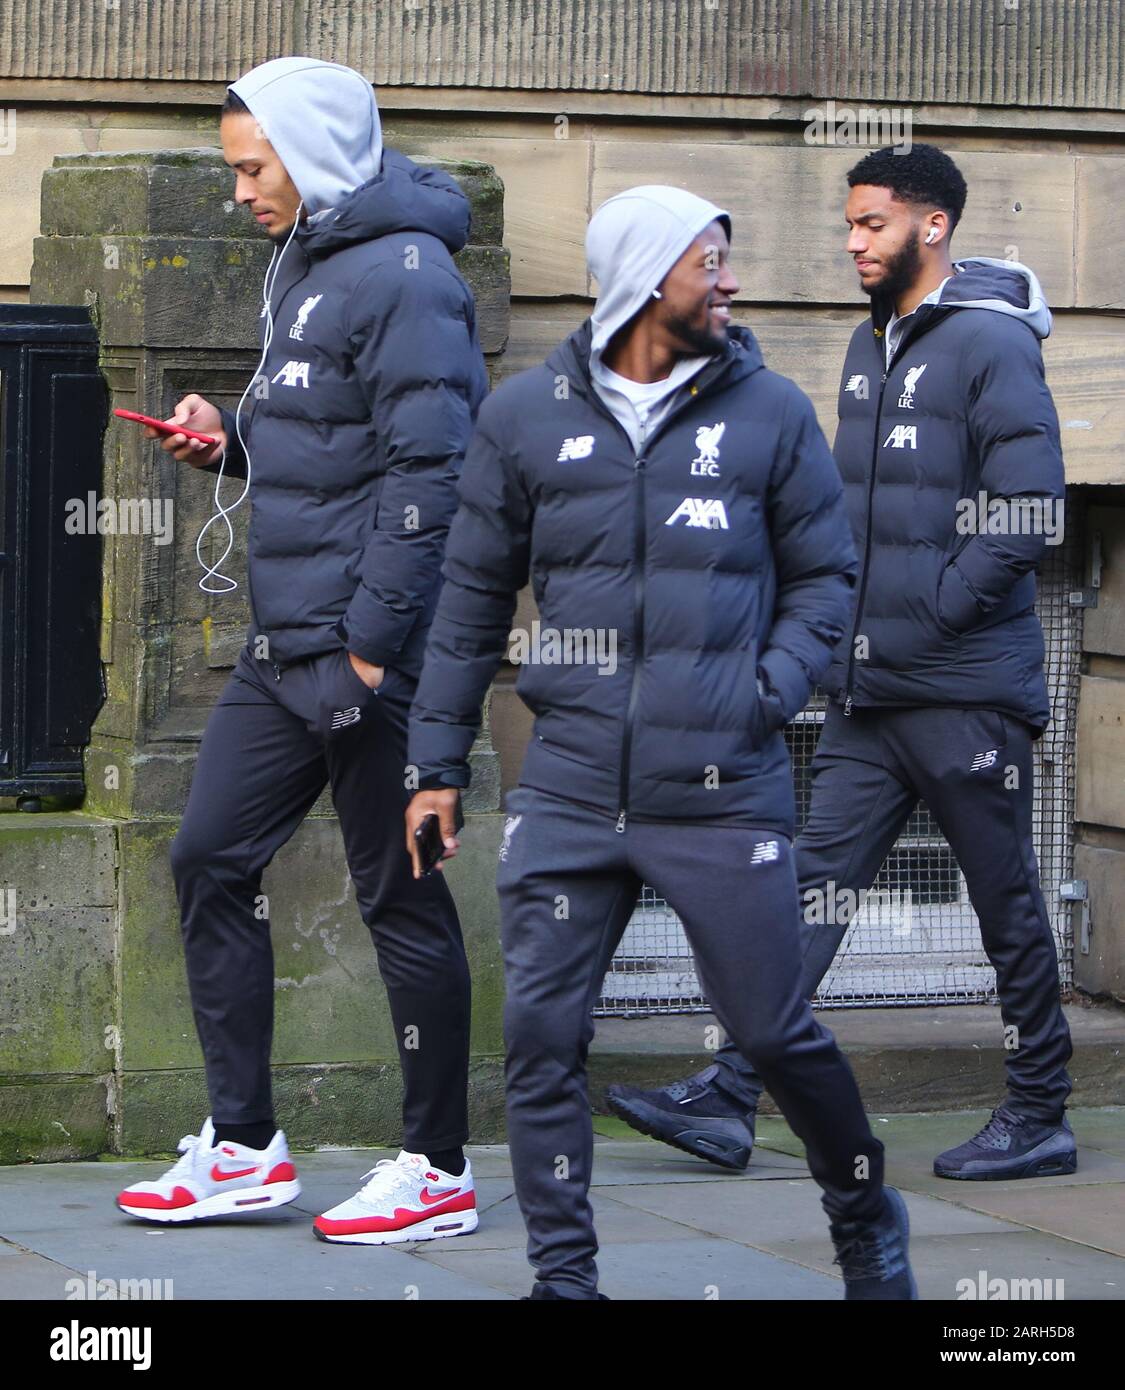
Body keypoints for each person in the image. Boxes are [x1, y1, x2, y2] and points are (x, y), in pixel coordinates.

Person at [404, 185, 916, 1299]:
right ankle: (566, 1279)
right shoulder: (524, 417)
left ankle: (866, 1212)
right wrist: (435, 762)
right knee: (540, 1042)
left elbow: (829, 576)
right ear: (646, 277)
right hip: (574, 785)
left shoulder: (771, 413)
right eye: (709, 262)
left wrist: (768, 690)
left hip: (723, 786)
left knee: (775, 1034)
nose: (729, 281)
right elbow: (468, 596)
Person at [607, 144, 1075, 1185]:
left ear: (933, 226)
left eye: (873, 224)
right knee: (807, 887)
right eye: (851, 224)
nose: (853, 242)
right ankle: (731, 1093)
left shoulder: (991, 347)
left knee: (1005, 905)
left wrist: (928, 621)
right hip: (872, 693)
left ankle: (1040, 1109)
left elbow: (1028, 514)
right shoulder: (878, 343)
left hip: (963, 691)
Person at [115, 57, 489, 1244]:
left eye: (250, 164)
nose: (238, 191)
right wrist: (227, 437)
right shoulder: (313, 261)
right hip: (285, 649)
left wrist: (374, 653)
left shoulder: (410, 275)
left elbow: (436, 472)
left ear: (314, 152)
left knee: (402, 902)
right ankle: (244, 1148)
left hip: (368, 656)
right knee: (208, 858)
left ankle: (437, 1168)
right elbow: (318, 434)